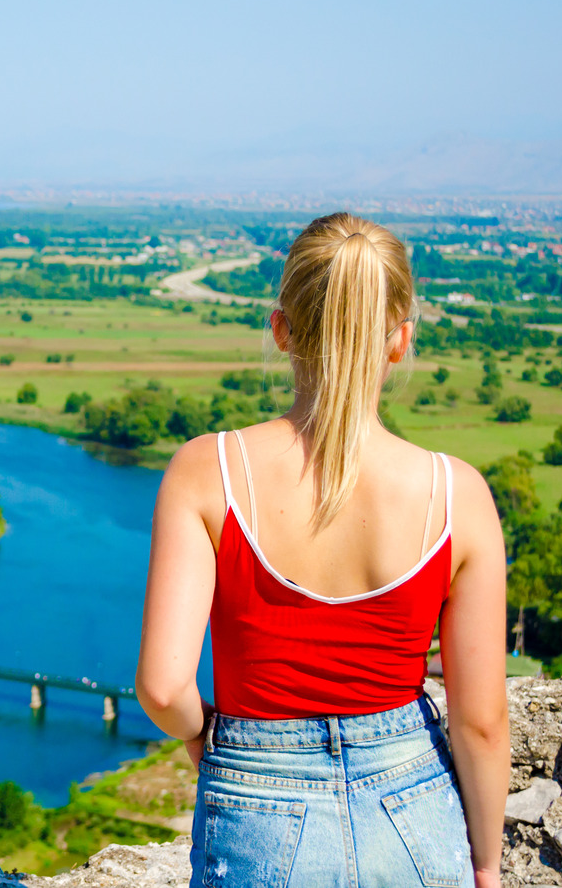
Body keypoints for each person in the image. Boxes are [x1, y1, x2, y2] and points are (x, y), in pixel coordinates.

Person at [136, 213, 508, 888]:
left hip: (258, 803)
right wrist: (484, 863)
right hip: (414, 807)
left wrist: (207, 739)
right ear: (400, 340)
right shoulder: (460, 495)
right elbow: (480, 720)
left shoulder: (206, 470)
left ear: (281, 330)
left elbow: (163, 688)